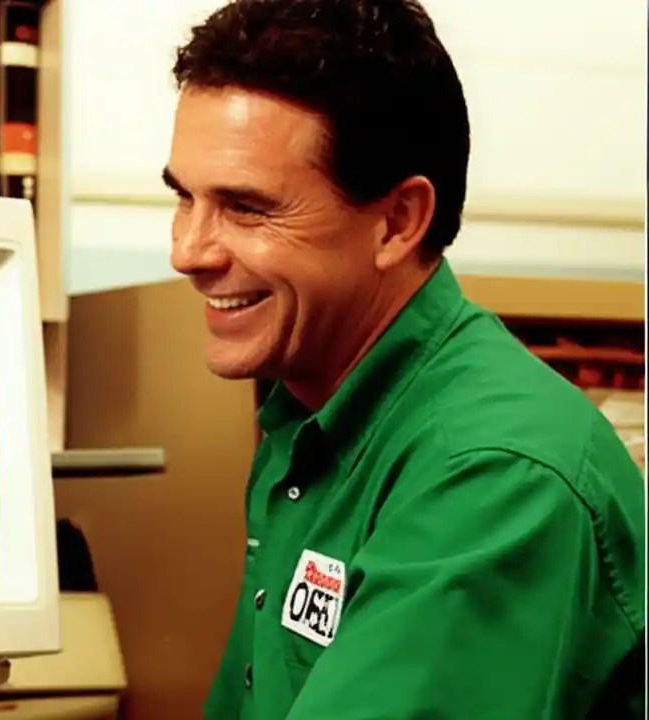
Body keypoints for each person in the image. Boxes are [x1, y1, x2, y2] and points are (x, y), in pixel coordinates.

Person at [163, 0, 647, 717]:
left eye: (246, 208)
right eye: (183, 199)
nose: (187, 252)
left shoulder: (495, 476)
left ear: (397, 222)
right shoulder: (312, 413)